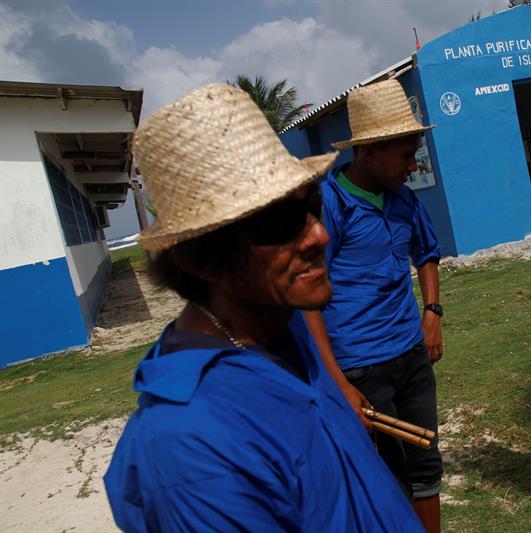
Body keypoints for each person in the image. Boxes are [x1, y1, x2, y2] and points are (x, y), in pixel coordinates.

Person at [103, 83, 424, 532]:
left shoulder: (279, 325)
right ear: (204, 259)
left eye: (311, 206)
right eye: (279, 224)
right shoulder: (190, 446)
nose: (319, 236)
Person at [303, 78, 444, 532]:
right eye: (405, 156)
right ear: (368, 152)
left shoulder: (403, 199)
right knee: (385, 478)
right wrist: (336, 380)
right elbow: (305, 302)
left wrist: (432, 312)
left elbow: (426, 253)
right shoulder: (331, 204)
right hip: (361, 368)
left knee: (426, 466)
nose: (413, 164)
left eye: (414, 152)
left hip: (410, 355)